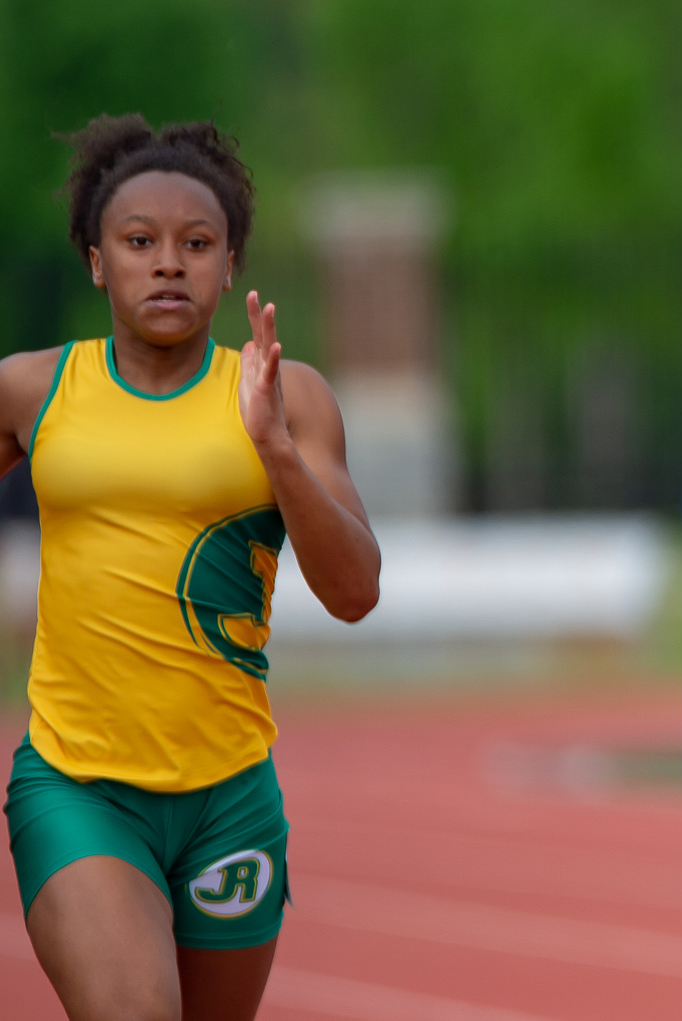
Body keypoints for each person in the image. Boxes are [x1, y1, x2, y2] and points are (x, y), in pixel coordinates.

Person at [2, 115, 380, 1021]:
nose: (168, 262)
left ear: (231, 262)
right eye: (139, 242)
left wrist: (276, 451)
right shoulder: (32, 389)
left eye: (196, 243)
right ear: (97, 261)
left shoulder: (287, 395)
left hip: (231, 802)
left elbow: (356, 591)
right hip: (80, 785)